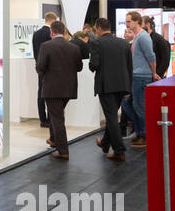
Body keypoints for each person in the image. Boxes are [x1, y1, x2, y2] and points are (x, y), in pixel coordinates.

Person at [36, 20, 83, 159]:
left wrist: (45, 76)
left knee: (57, 118)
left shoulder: (46, 46)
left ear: (51, 32)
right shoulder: (74, 47)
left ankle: (63, 151)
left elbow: (40, 67)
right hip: (68, 89)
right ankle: (54, 139)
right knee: (55, 114)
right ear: (63, 32)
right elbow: (79, 67)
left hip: (52, 88)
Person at [89, 17, 131, 161]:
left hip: (106, 86)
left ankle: (119, 150)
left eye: (95, 29)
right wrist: (128, 87)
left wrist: (91, 65)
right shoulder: (124, 43)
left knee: (111, 117)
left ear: (99, 28)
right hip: (122, 85)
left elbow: (94, 65)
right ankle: (106, 143)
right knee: (112, 115)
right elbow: (129, 66)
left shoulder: (96, 43)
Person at [126, 11, 155, 148]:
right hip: (137, 76)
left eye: (128, 21)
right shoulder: (138, 37)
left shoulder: (143, 37)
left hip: (142, 77)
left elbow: (151, 57)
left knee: (139, 107)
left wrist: (153, 73)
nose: (127, 24)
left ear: (136, 21)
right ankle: (140, 132)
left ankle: (144, 135)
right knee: (129, 103)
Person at [31, 13, 57, 129]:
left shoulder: (36, 34)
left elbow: (35, 52)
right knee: (51, 94)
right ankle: (50, 119)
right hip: (50, 69)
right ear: (53, 21)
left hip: (40, 68)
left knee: (40, 93)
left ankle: (43, 120)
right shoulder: (51, 34)